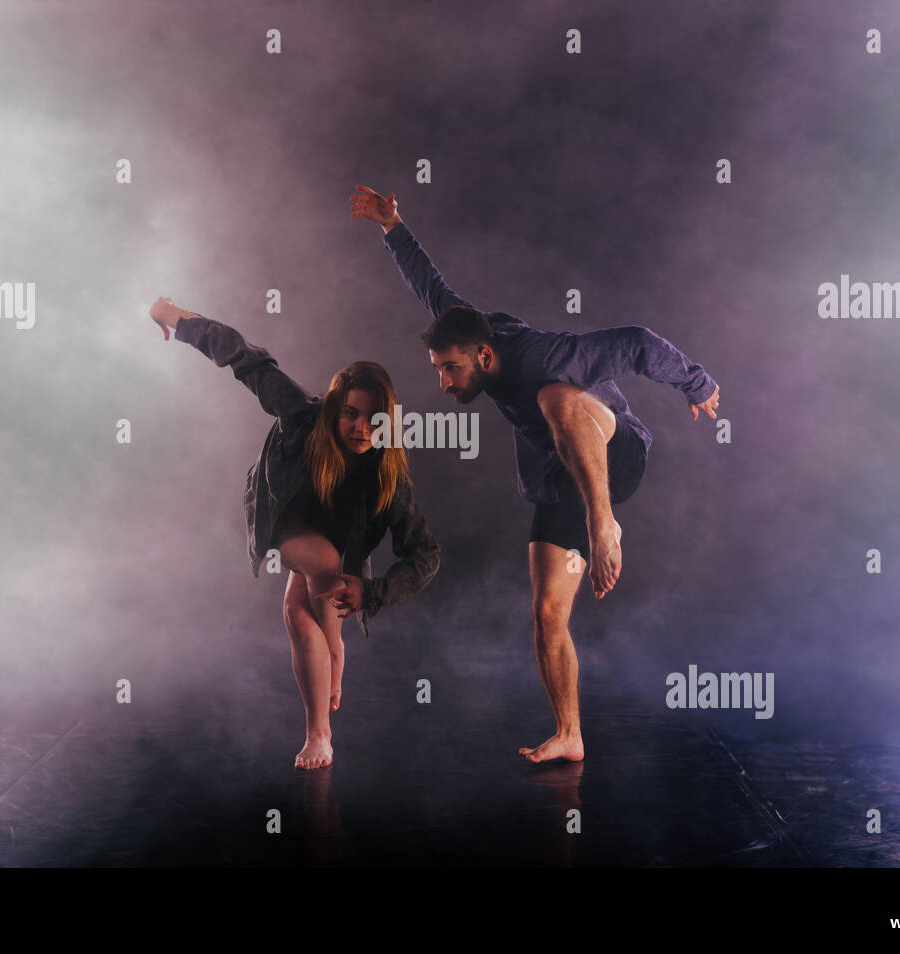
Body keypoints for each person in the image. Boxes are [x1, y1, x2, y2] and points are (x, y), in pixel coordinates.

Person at [349, 186, 721, 763]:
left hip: (614, 454)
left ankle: (606, 526)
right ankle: (569, 734)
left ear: (485, 358)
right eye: (439, 370)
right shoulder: (474, 331)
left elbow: (639, 343)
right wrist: (392, 226)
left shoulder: (550, 357)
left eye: (450, 370)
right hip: (559, 478)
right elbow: (434, 291)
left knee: (557, 400)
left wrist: (697, 385)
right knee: (548, 610)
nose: (444, 382)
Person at [149, 297, 441, 770]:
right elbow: (245, 358)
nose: (360, 427)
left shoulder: (388, 477)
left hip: (337, 558)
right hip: (283, 524)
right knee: (323, 565)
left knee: (298, 616)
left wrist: (372, 592)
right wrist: (178, 318)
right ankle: (330, 681)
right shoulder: (303, 415)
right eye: (350, 414)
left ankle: (319, 731)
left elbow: (426, 553)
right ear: (333, 409)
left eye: (372, 419)